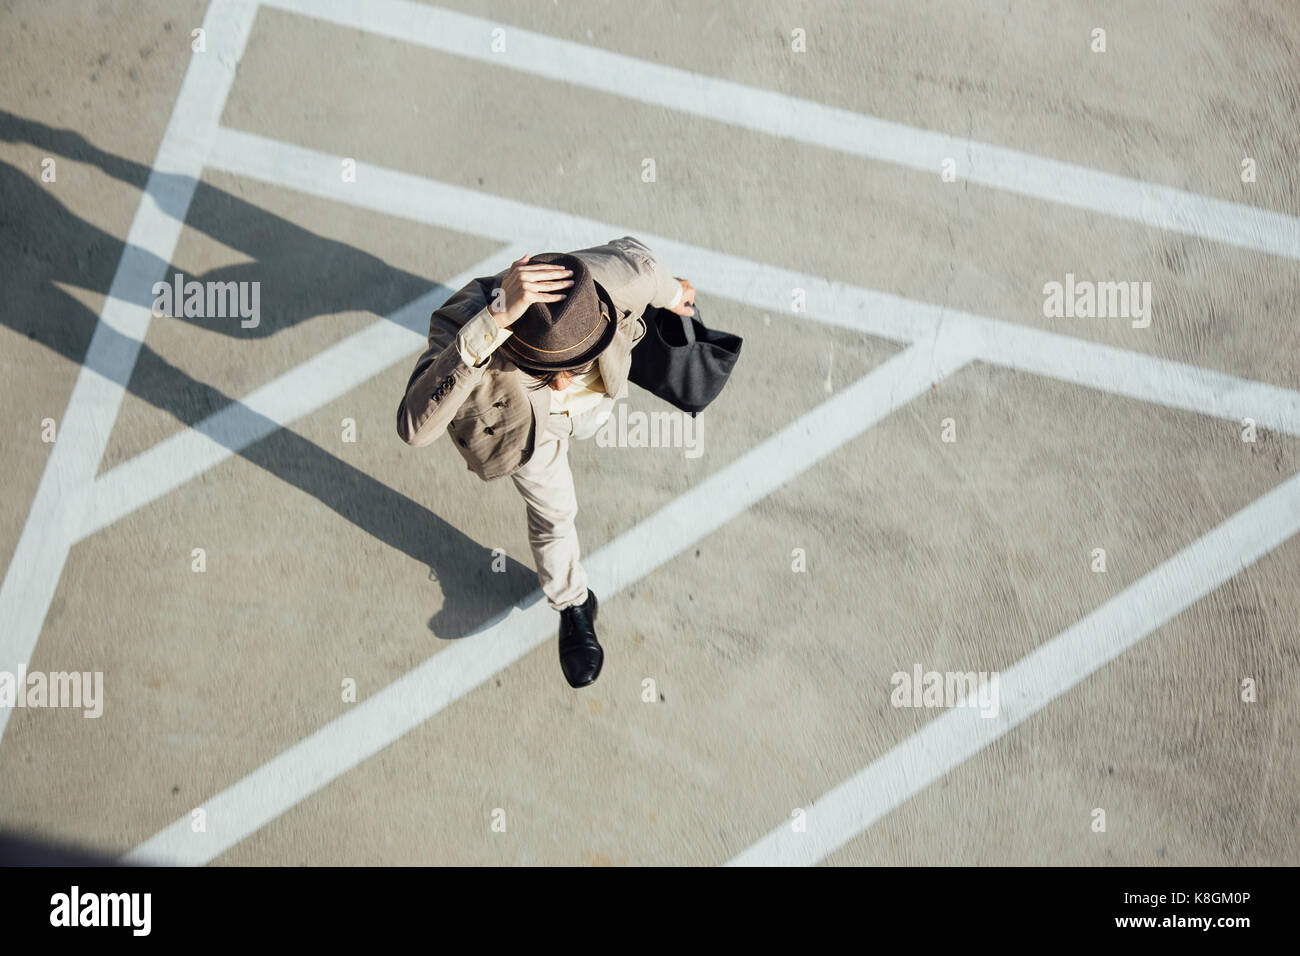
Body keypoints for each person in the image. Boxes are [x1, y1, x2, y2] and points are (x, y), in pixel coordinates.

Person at [397, 237, 695, 688]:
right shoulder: (463, 324)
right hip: (526, 432)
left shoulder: (621, 279)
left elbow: (648, 269)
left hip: (595, 407)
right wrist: (491, 325)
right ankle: (574, 603)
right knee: (556, 515)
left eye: (573, 366)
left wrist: (675, 295)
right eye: (542, 369)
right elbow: (414, 427)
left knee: (579, 434)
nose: (559, 385)